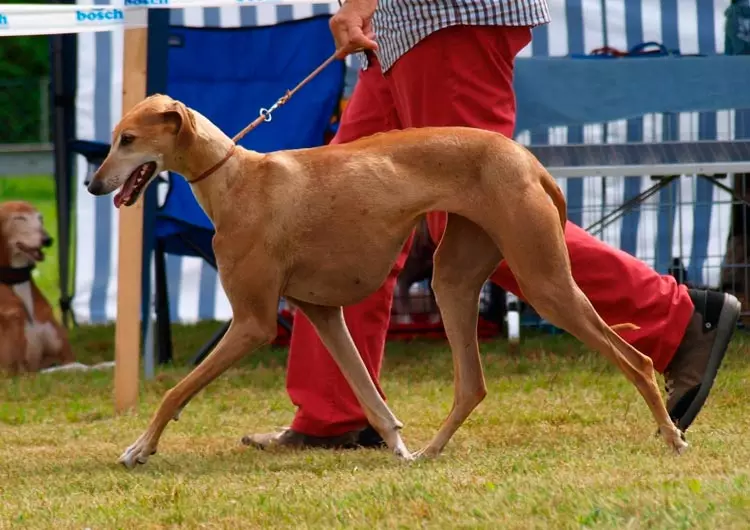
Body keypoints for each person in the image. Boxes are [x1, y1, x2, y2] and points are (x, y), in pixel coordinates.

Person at [243, 0, 741, 450]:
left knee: (489, 221)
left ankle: (678, 321)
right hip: (399, 34)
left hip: (450, 24)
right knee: (341, 219)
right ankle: (337, 413)